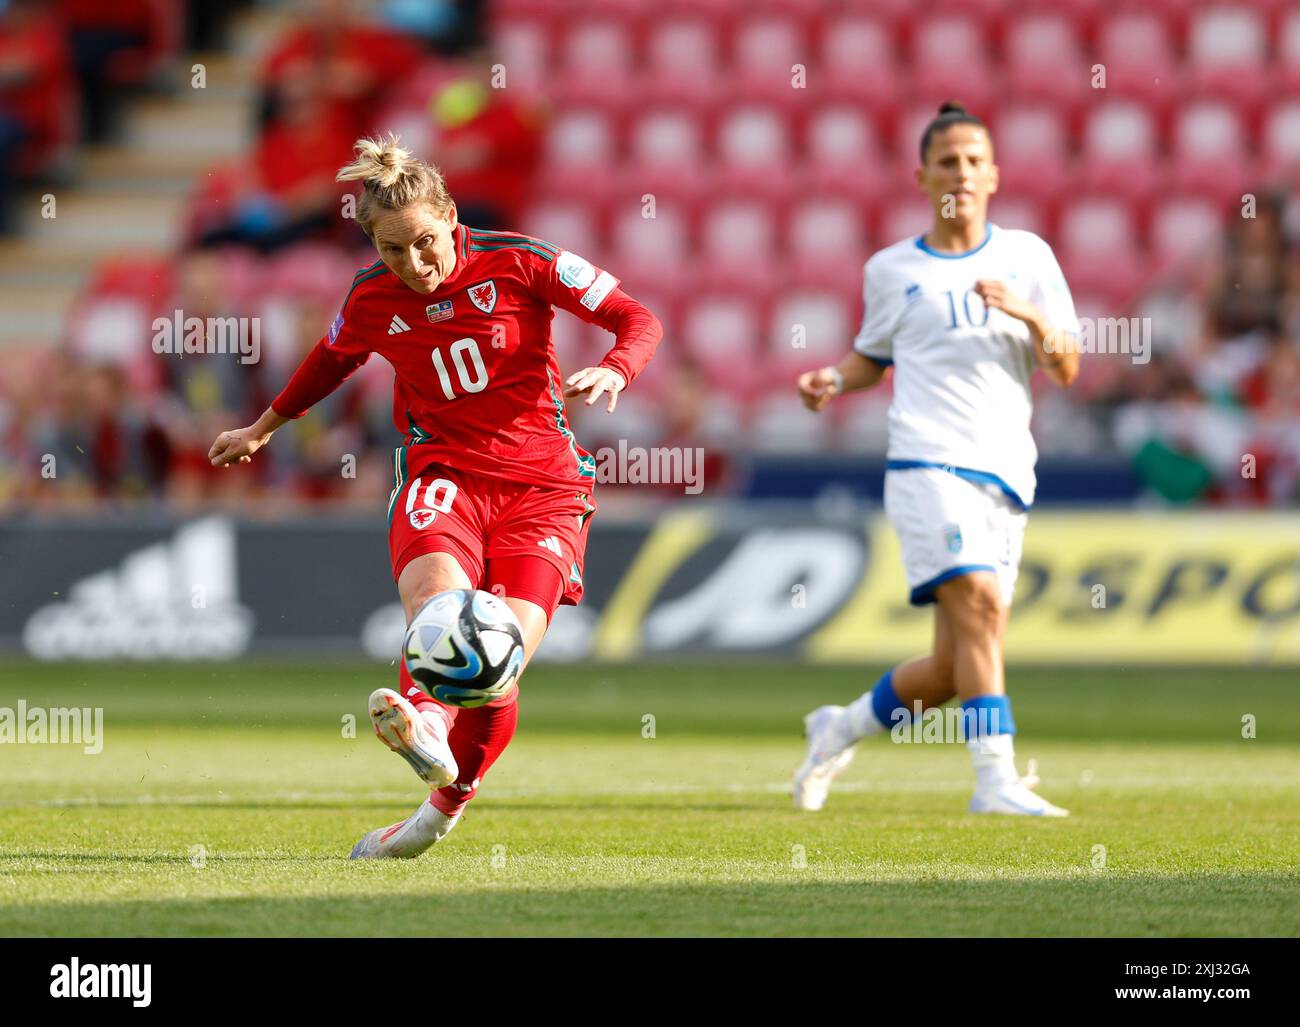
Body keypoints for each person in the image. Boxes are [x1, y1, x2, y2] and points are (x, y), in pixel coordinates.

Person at [209, 135, 662, 855]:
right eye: (393, 252)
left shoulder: (522, 260)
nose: (415, 267)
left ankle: (436, 814)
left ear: (449, 214)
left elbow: (638, 318)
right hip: (443, 475)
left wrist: (616, 368)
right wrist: (265, 426)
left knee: (498, 661)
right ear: (372, 247)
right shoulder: (371, 297)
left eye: (424, 243)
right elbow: (332, 358)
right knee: (436, 604)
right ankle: (424, 721)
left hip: (543, 487)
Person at [792, 102, 1080, 817]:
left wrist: (1031, 314)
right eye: (948, 160)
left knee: (957, 665)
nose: (962, 172)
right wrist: (833, 378)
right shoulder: (892, 269)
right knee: (980, 604)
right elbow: (871, 358)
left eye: (974, 160)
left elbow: (1068, 367)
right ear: (921, 176)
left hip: (1006, 472)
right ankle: (995, 780)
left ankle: (839, 726)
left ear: (995, 175)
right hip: (927, 463)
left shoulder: (1028, 259)